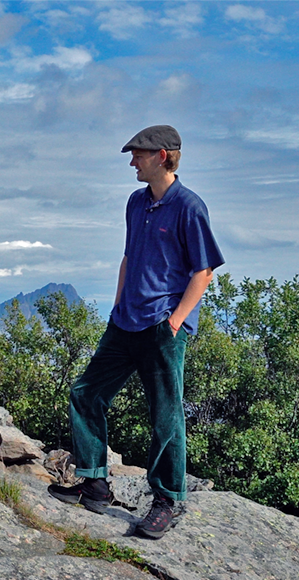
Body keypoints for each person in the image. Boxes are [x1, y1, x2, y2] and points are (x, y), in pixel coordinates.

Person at [49, 125, 225, 539]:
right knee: (85, 392)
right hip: (125, 320)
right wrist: (116, 305)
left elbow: (204, 272)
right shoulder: (136, 202)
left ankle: (166, 500)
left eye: (139, 155)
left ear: (162, 156)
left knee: (165, 414)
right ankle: (94, 483)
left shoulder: (189, 207)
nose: (132, 162)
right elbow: (129, 257)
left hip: (163, 325)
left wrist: (176, 321)